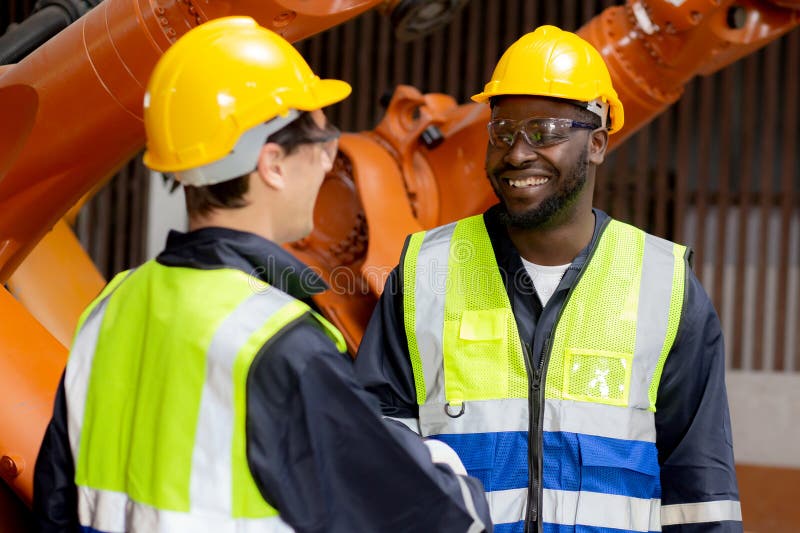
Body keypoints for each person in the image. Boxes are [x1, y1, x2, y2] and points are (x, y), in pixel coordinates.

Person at [32, 16, 492, 533]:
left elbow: (54, 506)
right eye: (323, 145)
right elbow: (437, 519)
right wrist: (448, 470)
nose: (327, 165)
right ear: (272, 163)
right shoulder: (277, 345)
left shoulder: (108, 310)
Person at [355, 25, 742, 533]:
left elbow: (701, 492)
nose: (517, 154)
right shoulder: (426, 269)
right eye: (503, 132)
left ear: (599, 143)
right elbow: (373, 455)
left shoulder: (664, 283)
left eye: (546, 133)